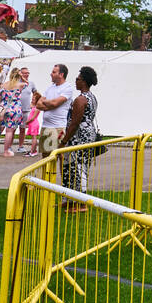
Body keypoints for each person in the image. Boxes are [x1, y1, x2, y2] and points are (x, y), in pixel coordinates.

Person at [59, 67, 100, 208]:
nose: (75, 81)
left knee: (76, 168)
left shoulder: (81, 99)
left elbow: (75, 123)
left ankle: (80, 203)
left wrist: (64, 141)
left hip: (79, 137)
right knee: (80, 168)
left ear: (83, 81)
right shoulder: (92, 97)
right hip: (88, 135)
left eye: (77, 79)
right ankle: (70, 200)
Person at [32, 63, 74, 155]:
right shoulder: (50, 87)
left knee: (59, 155)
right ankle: (48, 171)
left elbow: (55, 103)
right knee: (46, 157)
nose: (51, 74)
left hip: (57, 127)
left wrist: (46, 102)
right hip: (46, 127)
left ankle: (62, 170)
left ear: (61, 74)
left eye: (54, 72)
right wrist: (51, 104)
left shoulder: (68, 88)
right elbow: (38, 105)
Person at [0, 67, 27, 157]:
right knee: (9, 131)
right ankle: (6, 151)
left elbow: (0, 101)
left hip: (5, 109)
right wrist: (22, 76)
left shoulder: (3, 85)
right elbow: (27, 83)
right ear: (18, 75)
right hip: (15, 109)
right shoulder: (20, 85)